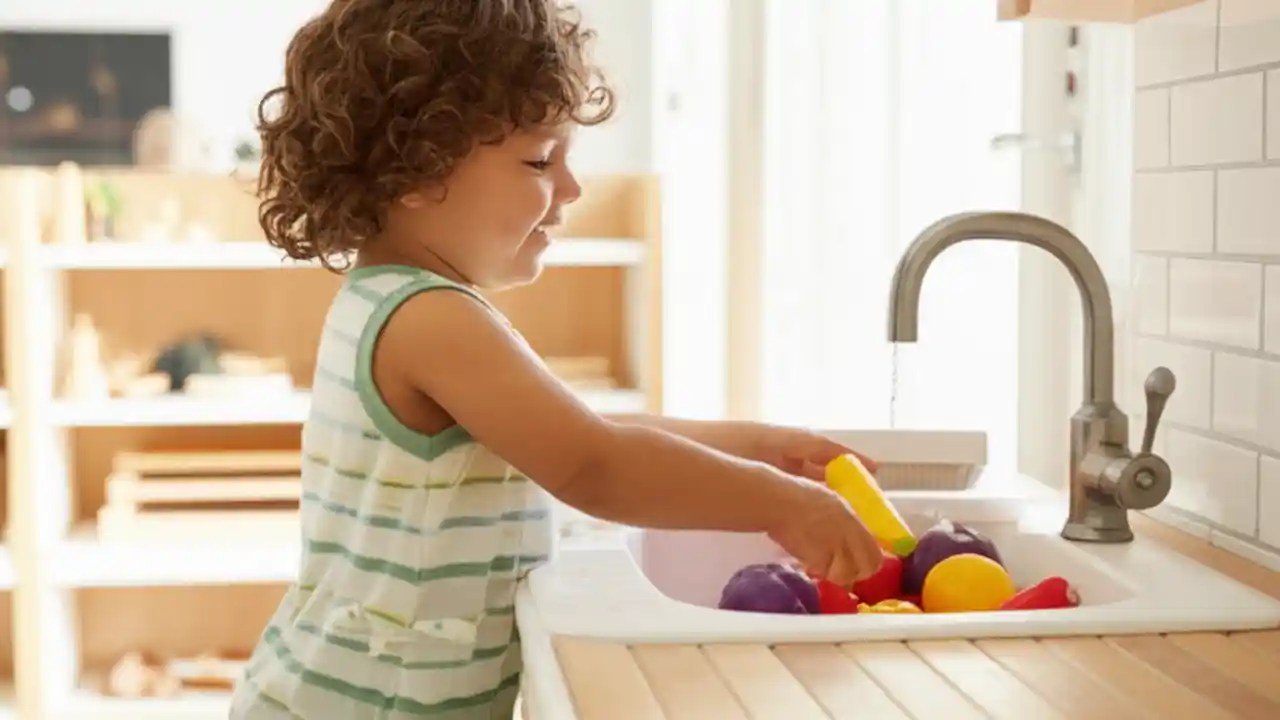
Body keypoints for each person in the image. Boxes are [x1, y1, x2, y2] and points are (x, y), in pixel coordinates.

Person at [229, 1, 883, 717]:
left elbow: (574, 431)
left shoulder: (400, 300)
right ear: (410, 171)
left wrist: (756, 447)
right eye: (540, 159)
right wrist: (777, 502)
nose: (571, 189)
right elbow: (593, 464)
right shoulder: (431, 318)